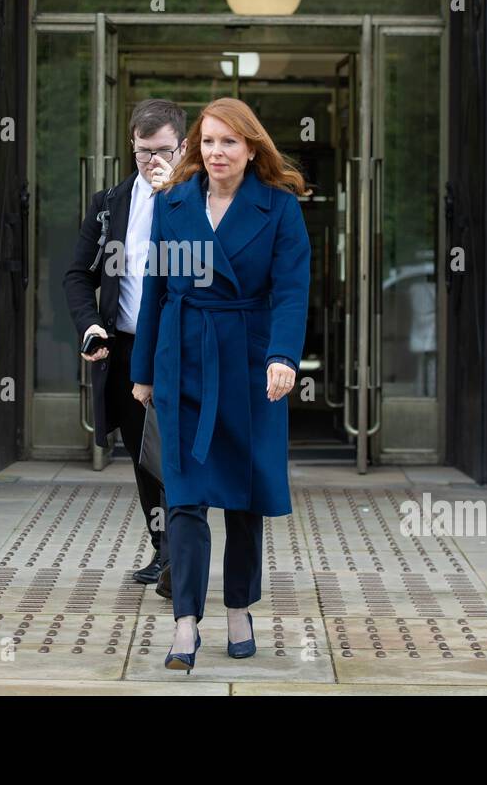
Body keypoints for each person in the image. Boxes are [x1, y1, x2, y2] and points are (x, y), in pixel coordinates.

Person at [130, 97, 311, 673]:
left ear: (251, 148)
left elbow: (292, 291)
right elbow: (156, 289)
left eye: (228, 141)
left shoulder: (279, 208)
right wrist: (142, 371)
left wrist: (282, 356)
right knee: (183, 497)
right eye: (207, 141)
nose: (216, 152)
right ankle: (184, 621)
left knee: (243, 495)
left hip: (249, 363)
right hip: (182, 358)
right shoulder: (173, 203)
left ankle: (238, 609)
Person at [63, 99, 188, 597]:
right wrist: (91, 326)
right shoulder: (109, 204)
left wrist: (175, 194)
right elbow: (78, 274)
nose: (152, 161)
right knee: (144, 454)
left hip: (182, 348)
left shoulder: (199, 200)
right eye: (142, 151)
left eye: (163, 151)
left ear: (183, 148)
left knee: (176, 453)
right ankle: (164, 549)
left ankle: (180, 556)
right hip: (129, 349)